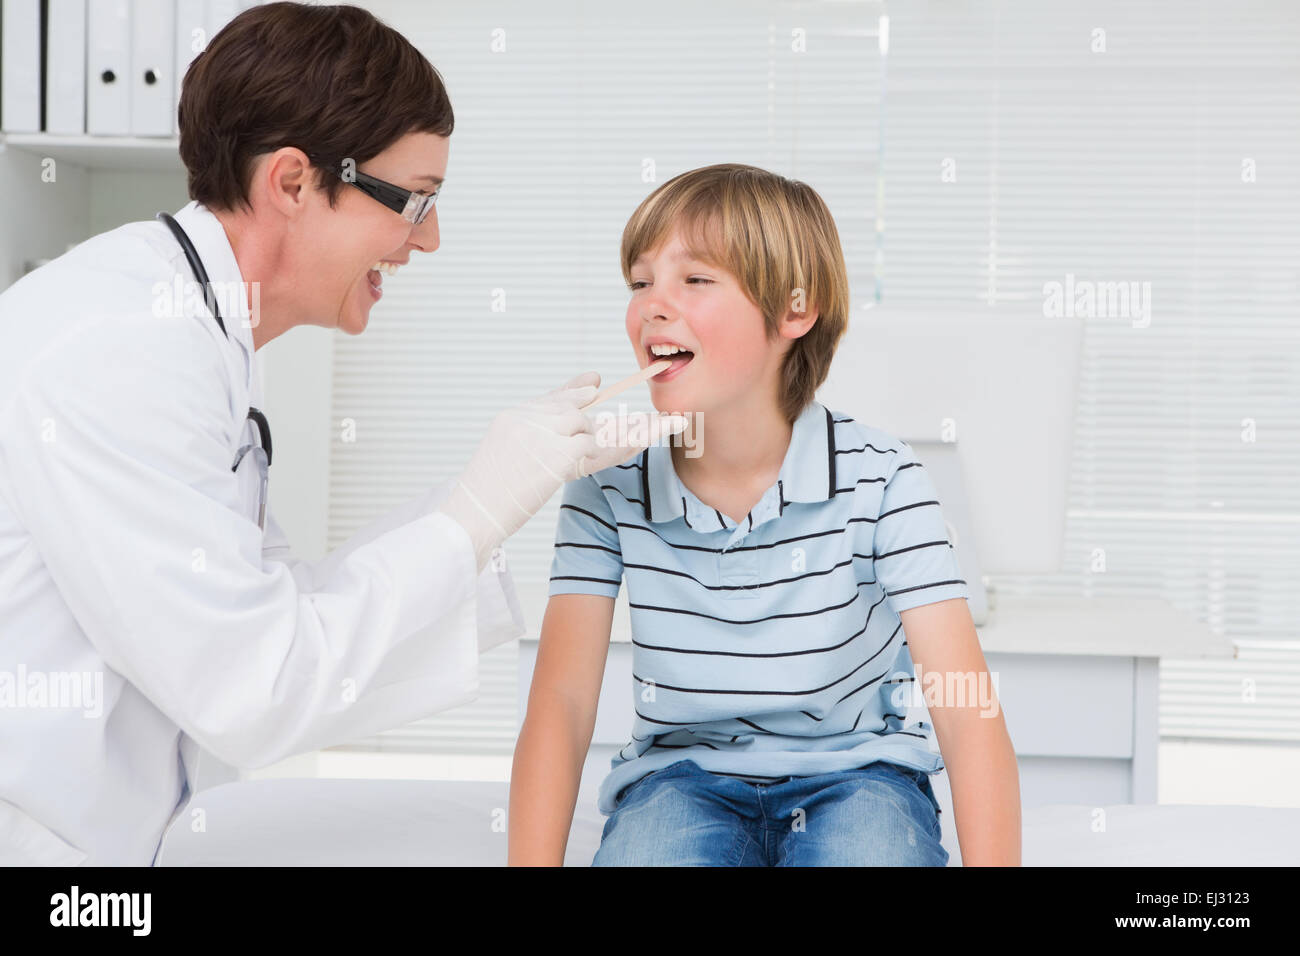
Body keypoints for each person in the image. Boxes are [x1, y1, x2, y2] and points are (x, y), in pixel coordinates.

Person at [0, 2, 678, 866]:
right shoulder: (119, 351)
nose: (427, 240)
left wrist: (489, 503)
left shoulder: (194, 338)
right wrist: (473, 511)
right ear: (291, 183)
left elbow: (282, 612)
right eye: (415, 201)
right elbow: (254, 683)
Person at [509, 163, 1021, 866]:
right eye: (639, 280)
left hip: (860, 777)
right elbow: (562, 703)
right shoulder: (608, 484)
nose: (653, 304)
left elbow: (966, 711)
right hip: (676, 781)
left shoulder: (884, 477)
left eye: (695, 279)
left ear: (793, 312)